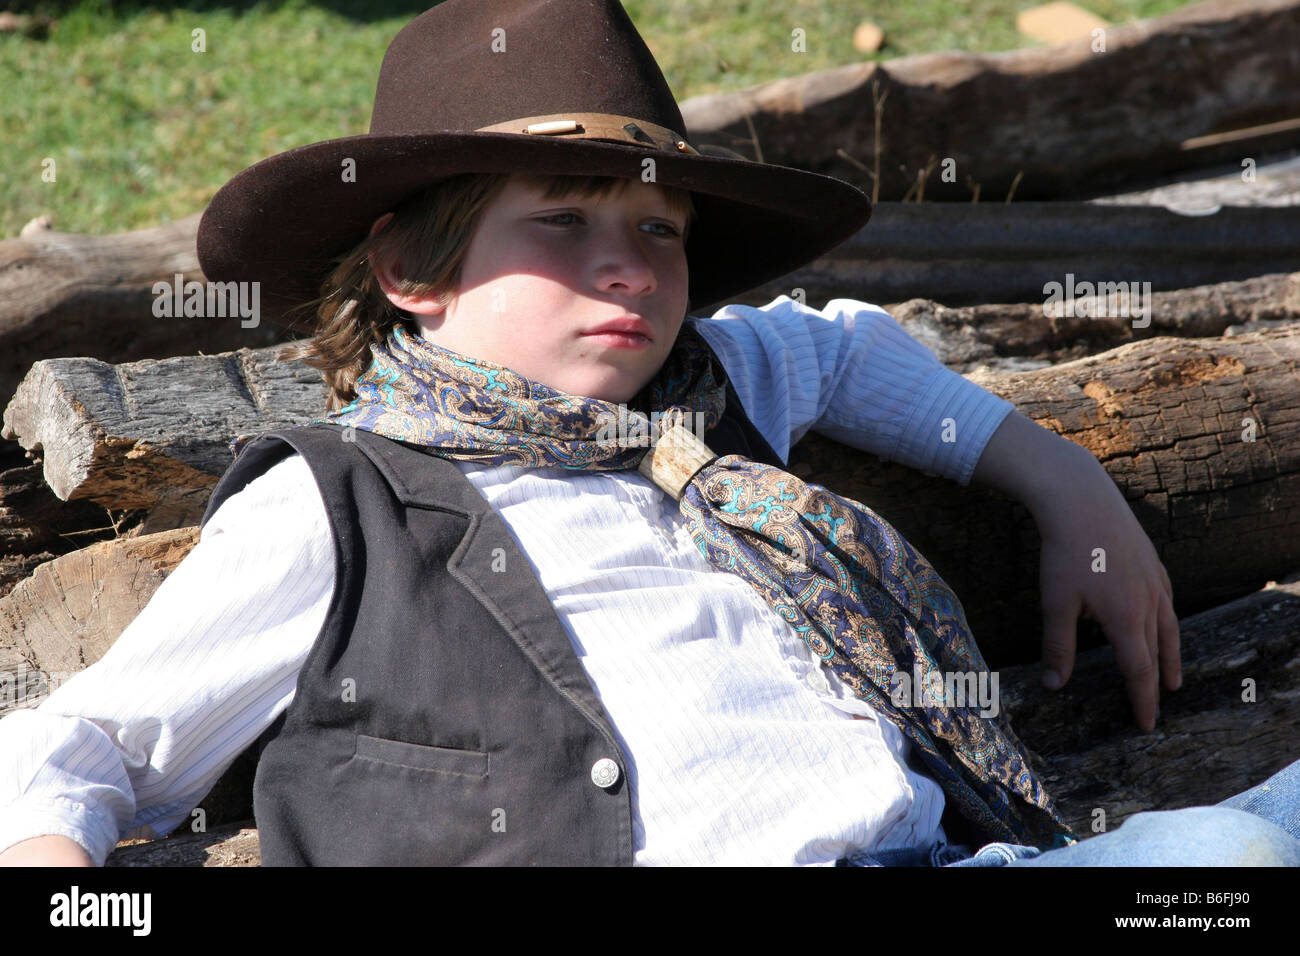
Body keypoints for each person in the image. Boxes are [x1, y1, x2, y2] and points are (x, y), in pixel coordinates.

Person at [1, 0, 1296, 867]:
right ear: (411, 269)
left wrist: (1059, 473)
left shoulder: (703, 388)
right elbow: (76, 747)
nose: (628, 272)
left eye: (660, 231)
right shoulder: (341, 507)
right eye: (561, 224)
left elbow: (848, 347)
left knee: (1246, 848)